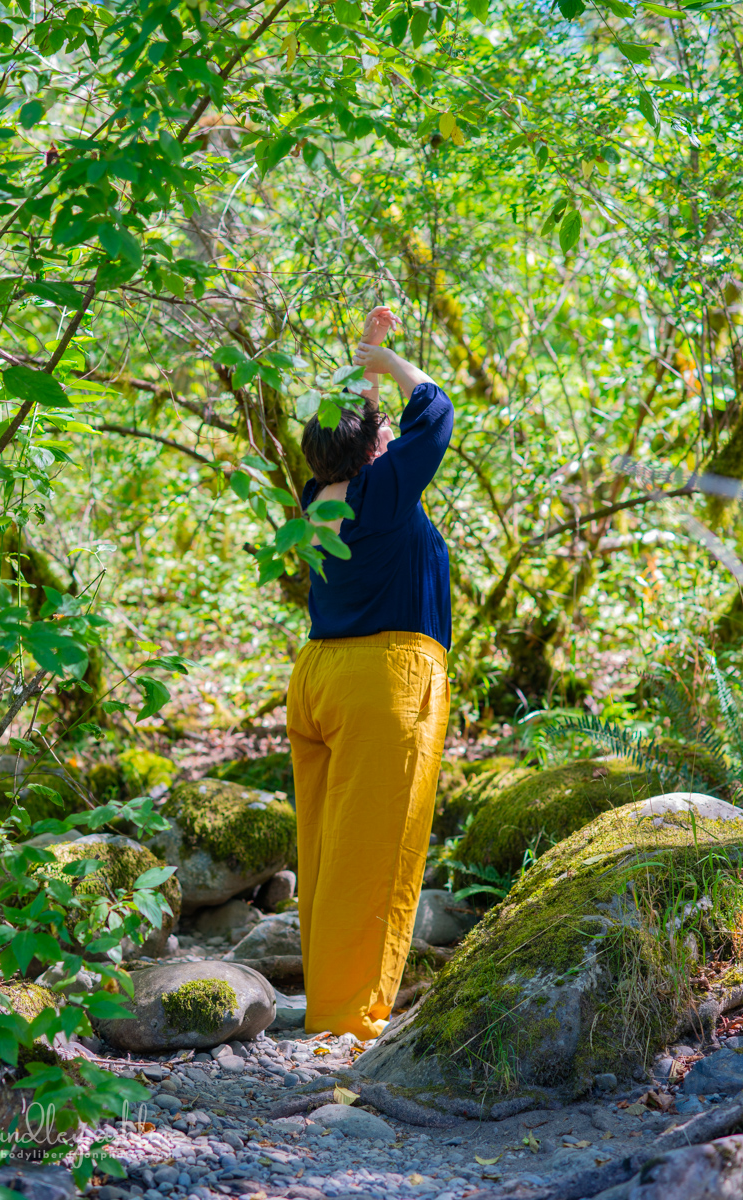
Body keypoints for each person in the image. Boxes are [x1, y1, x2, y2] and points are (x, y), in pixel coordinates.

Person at [286, 307, 454, 1039]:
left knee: (325, 852)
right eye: (380, 433)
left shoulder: (315, 499)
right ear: (374, 451)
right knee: (375, 858)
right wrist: (387, 367)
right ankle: (353, 1020)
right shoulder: (382, 493)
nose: (389, 433)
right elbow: (437, 408)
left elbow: (345, 436)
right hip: (381, 684)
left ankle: (328, 1004)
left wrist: (365, 358)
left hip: (318, 676)